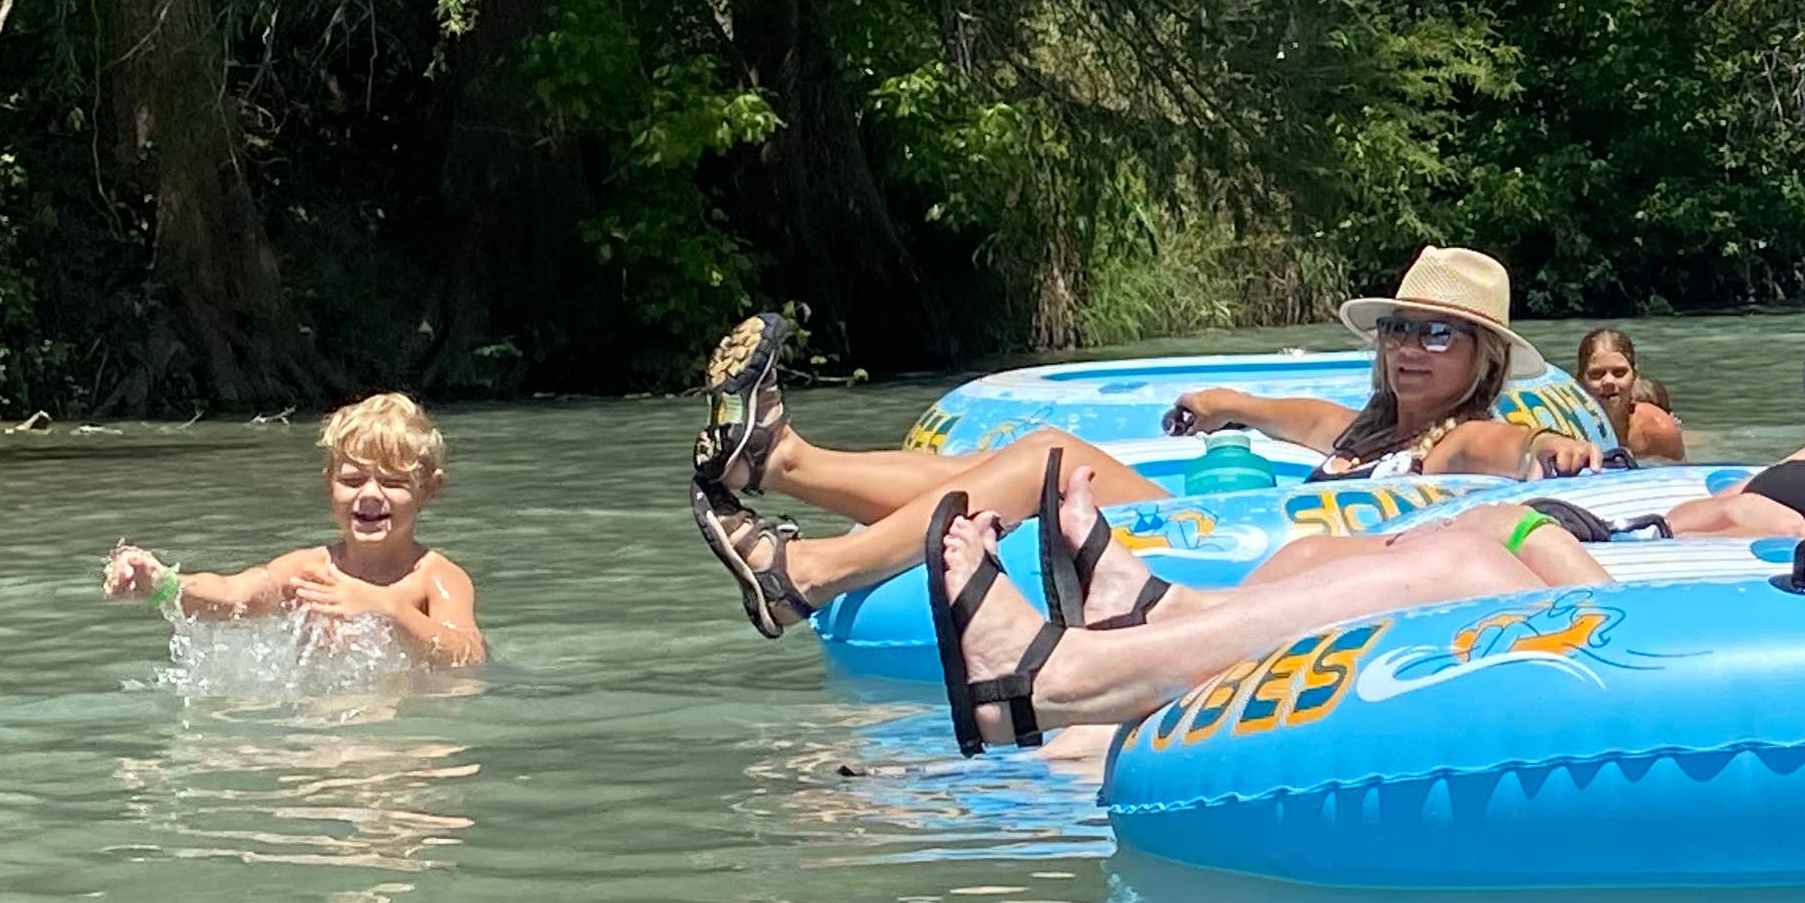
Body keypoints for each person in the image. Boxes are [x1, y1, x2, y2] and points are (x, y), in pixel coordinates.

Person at [915, 295, 1805, 753]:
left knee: (1467, 549)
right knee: (1384, 551)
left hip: (1694, 652)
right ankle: (1145, 643)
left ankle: (1061, 678)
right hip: (1688, 608)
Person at [684, 249, 1598, 636]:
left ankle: (808, 576)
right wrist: (1224, 402)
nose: (1409, 348)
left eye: (1438, 334)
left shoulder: (1460, 442)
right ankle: (782, 461)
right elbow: (1290, 418)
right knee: (1011, 457)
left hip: (1239, 559)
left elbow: (1511, 451)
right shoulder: (1363, 428)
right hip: (1224, 521)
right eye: (1399, 328)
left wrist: (1549, 454)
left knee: (1044, 464)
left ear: (1482, 359)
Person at [101, 394, 484, 668]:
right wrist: (163, 583)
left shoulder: (436, 578)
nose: (369, 495)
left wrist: (387, 606)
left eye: (393, 482)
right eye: (352, 480)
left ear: (428, 491)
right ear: (328, 485)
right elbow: (236, 596)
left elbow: (469, 656)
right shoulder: (310, 571)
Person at [1574, 324, 1686, 463]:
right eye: (1597, 374)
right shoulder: (1566, 428)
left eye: (1619, 373)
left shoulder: (1657, 429)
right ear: (1579, 381)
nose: (1609, 381)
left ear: (1635, 376)